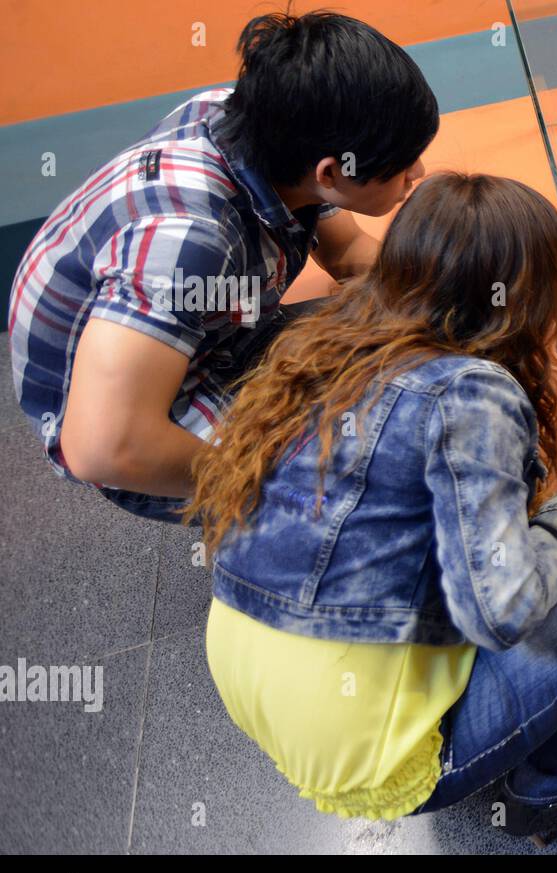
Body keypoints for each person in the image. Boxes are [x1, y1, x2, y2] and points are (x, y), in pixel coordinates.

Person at [184, 171, 557, 842]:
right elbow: (503, 612)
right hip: (370, 754)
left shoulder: (329, 344)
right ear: (521, 303)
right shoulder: (471, 393)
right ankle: (555, 791)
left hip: (257, 686)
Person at [7, 12, 438, 522]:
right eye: (404, 163)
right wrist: (275, 488)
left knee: (399, 355)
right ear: (332, 172)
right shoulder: (190, 239)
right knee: (366, 496)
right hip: (121, 417)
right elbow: (104, 448)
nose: (419, 173)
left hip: (191, 335)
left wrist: (434, 302)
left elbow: (346, 255)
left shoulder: (260, 122)